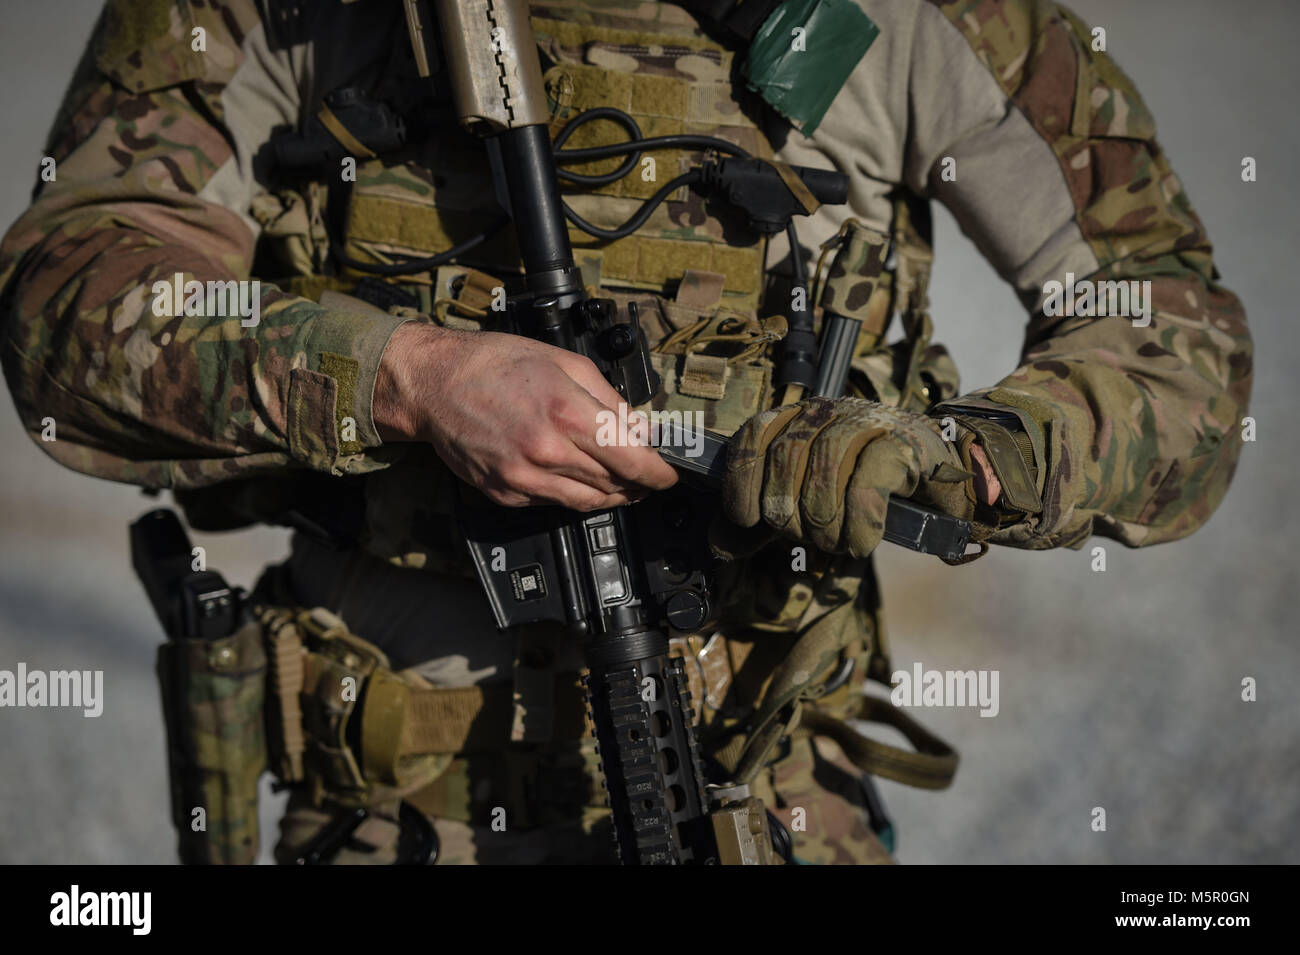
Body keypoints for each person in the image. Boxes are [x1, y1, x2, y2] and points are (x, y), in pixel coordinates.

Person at [0, 0, 1251, 865]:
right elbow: (68, 295)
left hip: (760, 805)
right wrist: (409, 376)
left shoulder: (921, 27)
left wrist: (961, 456)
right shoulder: (287, 13)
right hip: (385, 809)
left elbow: (1171, 335)